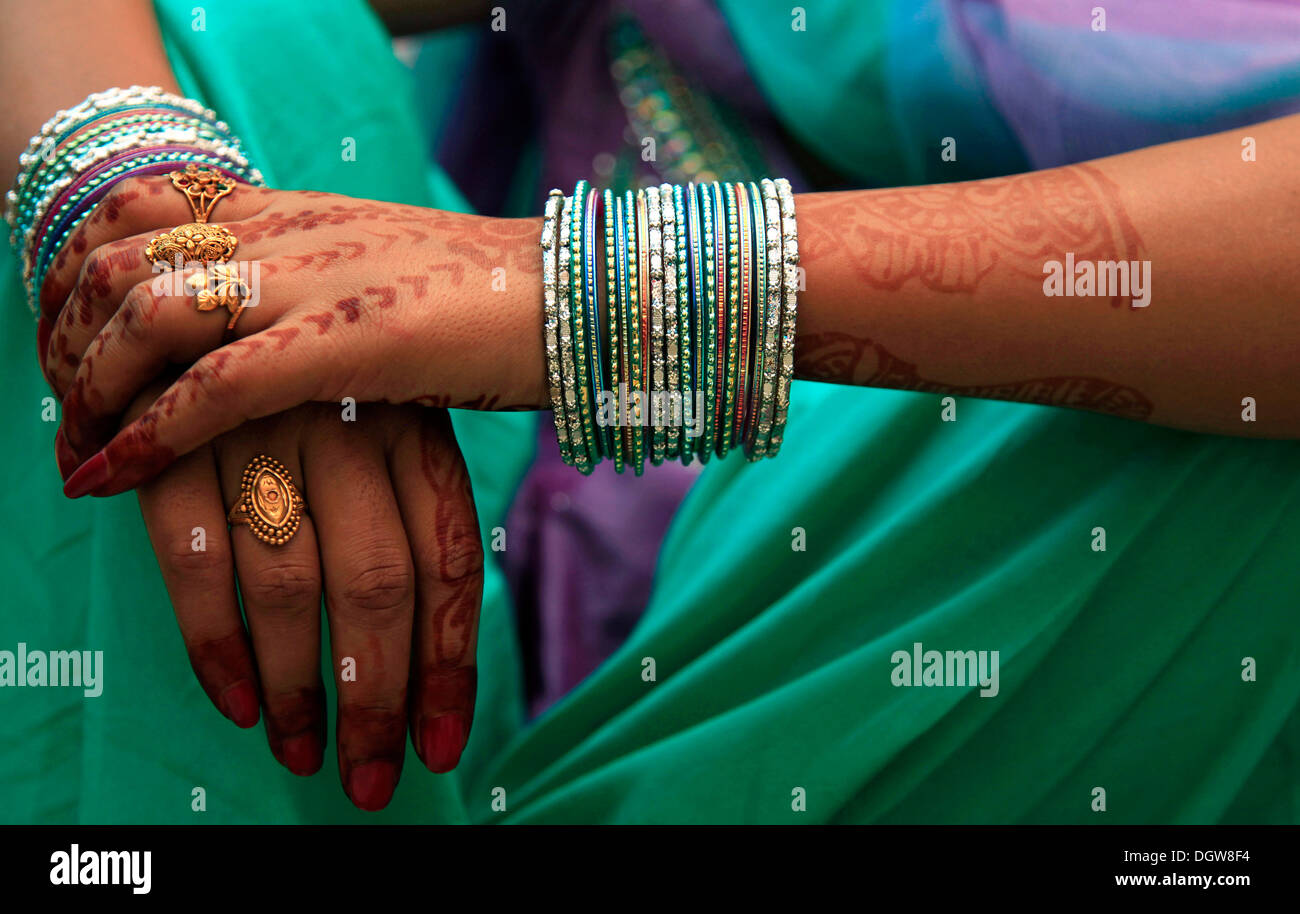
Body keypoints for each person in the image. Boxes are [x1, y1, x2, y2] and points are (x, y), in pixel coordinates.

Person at [2, 0, 1297, 823]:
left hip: (931, 635)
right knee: (224, 62)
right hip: (439, 618)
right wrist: (150, 218)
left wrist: (554, 297)